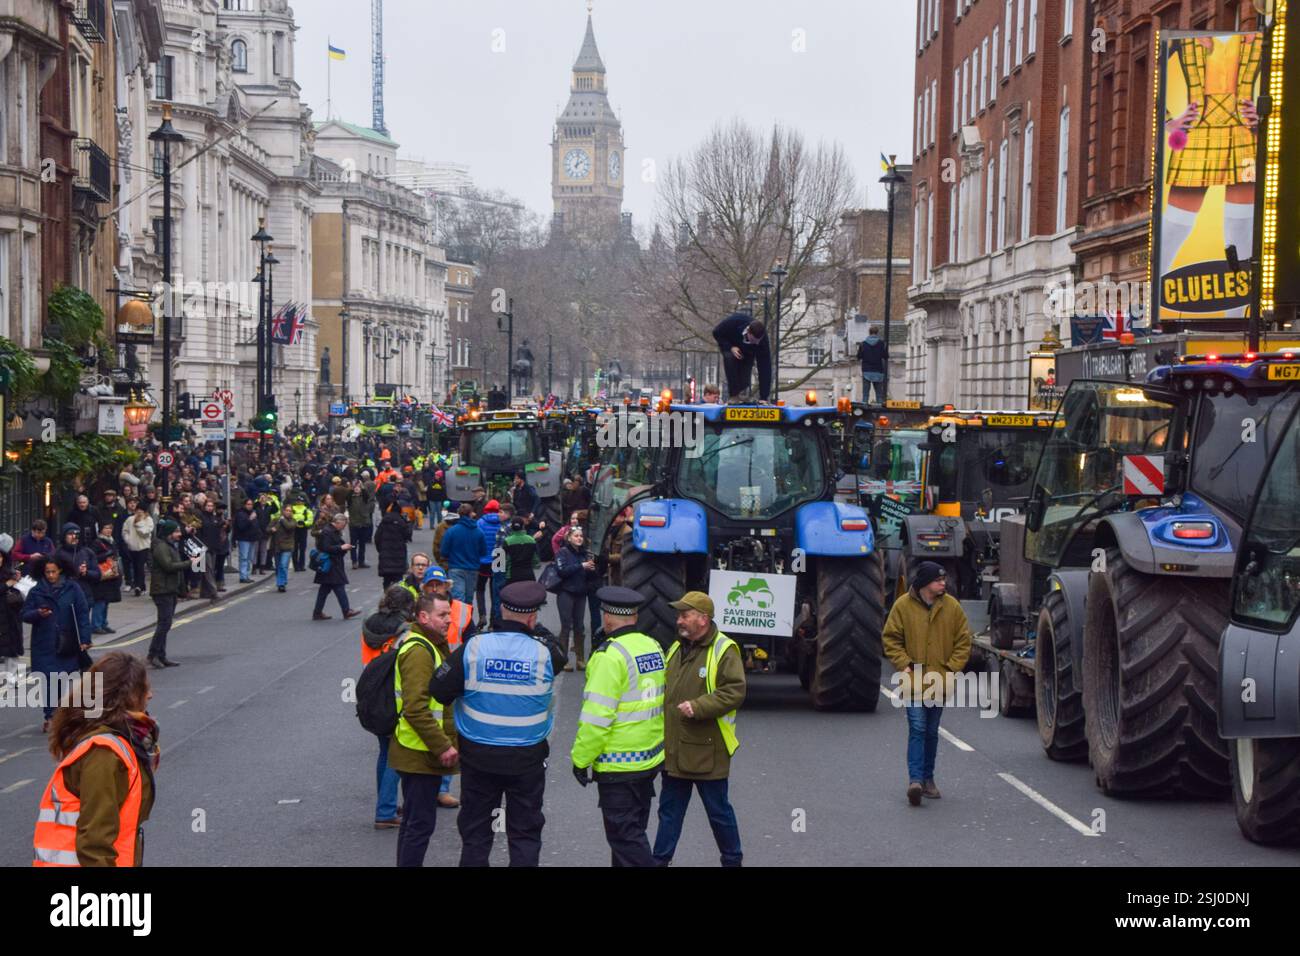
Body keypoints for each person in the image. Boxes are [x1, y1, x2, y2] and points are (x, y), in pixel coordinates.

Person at [427, 581, 567, 867]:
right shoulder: (545, 654)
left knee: (476, 833)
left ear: (501, 610)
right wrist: (536, 631)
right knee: (524, 833)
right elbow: (560, 654)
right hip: (527, 758)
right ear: (532, 617)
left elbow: (438, 689)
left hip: (479, 757)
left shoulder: (473, 648)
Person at [33, 652, 158, 866]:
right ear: (128, 695)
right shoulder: (104, 753)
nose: (150, 695)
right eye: (144, 688)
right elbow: (94, 844)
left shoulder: (114, 741)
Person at [571, 586, 666, 867]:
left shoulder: (609, 656)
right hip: (649, 759)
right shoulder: (653, 646)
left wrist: (581, 759)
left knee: (626, 838)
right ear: (634, 616)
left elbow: (596, 718)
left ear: (608, 617)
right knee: (633, 834)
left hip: (618, 765)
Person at [653, 591, 746, 867]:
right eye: (679, 615)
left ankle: (732, 860)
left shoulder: (724, 650)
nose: (679, 620)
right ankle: (659, 861)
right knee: (669, 813)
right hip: (675, 749)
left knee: (718, 813)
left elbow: (735, 691)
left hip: (707, 750)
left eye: (685, 615)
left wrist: (699, 706)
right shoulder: (677, 647)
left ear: (703, 619)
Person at [882, 561, 971, 805]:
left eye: (944, 579)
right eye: (938, 580)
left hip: (939, 681)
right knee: (918, 728)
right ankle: (916, 781)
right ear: (924, 583)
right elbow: (890, 638)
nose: (943, 583)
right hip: (913, 680)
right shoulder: (902, 606)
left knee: (931, 732)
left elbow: (964, 640)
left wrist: (951, 667)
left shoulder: (952, 607)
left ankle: (928, 780)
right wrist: (904, 664)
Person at [389, 593, 460, 865]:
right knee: (419, 826)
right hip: (419, 752)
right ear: (423, 617)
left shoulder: (429, 644)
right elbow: (415, 708)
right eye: (442, 615)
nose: (448, 620)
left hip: (419, 749)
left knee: (413, 824)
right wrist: (442, 746)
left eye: (449, 614)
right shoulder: (419, 651)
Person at [361, 586, 415, 831]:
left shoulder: (370, 625)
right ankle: (385, 811)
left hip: (370, 691)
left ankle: (388, 804)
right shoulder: (404, 631)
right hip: (393, 695)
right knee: (396, 753)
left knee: (385, 752)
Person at [22, 555, 93, 730]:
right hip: (43, 643)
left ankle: (59, 713)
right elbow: (24, 614)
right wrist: (38, 613)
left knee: (61, 680)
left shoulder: (73, 588)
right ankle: (50, 716)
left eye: (53, 571)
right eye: (47, 572)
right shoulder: (36, 591)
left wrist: (85, 639)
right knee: (47, 680)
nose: (51, 575)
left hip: (66, 642)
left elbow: (82, 613)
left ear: (60, 570)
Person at [554, 525, 597, 672]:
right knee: (566, 627)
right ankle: (563, 660)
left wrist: (591, 570)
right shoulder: (562, 553)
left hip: (580, 593)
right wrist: (581, 566)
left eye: (581, 536)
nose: (579, 538)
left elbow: (589, 575)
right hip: (566, 593)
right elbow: (562, 571)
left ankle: (580, 659)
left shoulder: (585, 553)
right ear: (569, 538)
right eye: (576, 536)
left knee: (580, 627)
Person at [147, 520, 188, 669]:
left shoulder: (169, 546)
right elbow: (168, 566)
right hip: (162, 590)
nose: (179, 534)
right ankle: (153, 655)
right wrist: (189, 563)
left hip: (169, 589)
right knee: (164, 623)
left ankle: (161, 656)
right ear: (169, 533)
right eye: (176, 532)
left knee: (166, 623)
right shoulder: (161, 547)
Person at [712, 313, 771, 401]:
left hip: (748, 353)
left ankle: (741, 392)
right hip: (730, 346)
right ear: (748, 332)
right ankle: (734, 395)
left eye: (758, 341)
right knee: (730, 357)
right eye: (754, 340)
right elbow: (716, 333)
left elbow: (765, 368)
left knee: (744, 381)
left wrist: (764, 397)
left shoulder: (762, 342)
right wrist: (730, 347)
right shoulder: (735, 321)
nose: (757, 343)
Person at [313, 513, 361, 621]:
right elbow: (326, 548)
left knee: (324, 590)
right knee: (339, 586)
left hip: (333, 564)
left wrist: (344, 547)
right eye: (343, 525)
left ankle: (317, 612)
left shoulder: (333, 531)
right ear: (338, 522)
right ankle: (346, 611)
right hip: (330, 564)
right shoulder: (327, 532)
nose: (344, 527)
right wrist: (341, 547)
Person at [440, 504, 486, 607]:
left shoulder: (451, 531)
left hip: (455, 567)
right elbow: (483, 552)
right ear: (471, 514)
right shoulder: (479, 532)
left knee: (458, 599)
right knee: (469, 600)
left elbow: (443, 551)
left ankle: (459, 622)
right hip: (473, 569)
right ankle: (467, 621)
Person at [87, 523, 122, 636]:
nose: (109, 530)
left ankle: (103, 624)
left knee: (106, 601)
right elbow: (93, 559)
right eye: (106, 528)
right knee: (100, 601)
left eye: (110, 528)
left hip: (110, 576)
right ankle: (96, 625)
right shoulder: (97, 543)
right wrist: (106, 554)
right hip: (101, 576)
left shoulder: (111, 541)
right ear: (101, 530)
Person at [475, 500, 503, 626]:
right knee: (495, 590)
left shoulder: (480, 522)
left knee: (480, 589)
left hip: (483, 560)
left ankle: (482, 615)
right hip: (498, 558)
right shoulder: (502, 523)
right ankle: (493, 620)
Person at [374, 503, 413, 590]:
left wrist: (381, 550)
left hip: (385, 556)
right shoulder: (401, 521)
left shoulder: (384, 522)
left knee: (386, 580)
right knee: (398, 580)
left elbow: (377, 538)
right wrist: (409, 523)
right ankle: (397, 599)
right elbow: (408, 535)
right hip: (398, 555)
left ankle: (386, 597)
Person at [121, 503, 154, 597]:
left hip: (144, 547)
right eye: (138, 510)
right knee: (135, 566)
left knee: (140, 566)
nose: (139, 512)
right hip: (132, 546)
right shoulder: (129, 519)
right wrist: (128, 540)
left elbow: (145, 533)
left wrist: (139, 523)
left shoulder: (148, 520)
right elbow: (125, 531)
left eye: (142, 511)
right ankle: (140, 586)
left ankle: (139, 586)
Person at [348, 477, 376, 569]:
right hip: (353, 523)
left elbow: (367, 494)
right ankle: (354, 561)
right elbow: (347, 495)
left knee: (362, 544)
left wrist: (362, 486)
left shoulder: (364, 497)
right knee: (353, 545)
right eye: (355, 487)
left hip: (363, 523)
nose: (357, 488)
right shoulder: (350, 498)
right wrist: (352, 487)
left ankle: (361, 561)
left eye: (358, 487)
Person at [502, 517, 540, 583]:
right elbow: (536, 561)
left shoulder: (507, 541)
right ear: (523, 526)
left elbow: (504, 560)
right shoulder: (531, 540)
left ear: (511, 527)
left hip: (512, 576)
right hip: (529, 575)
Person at [857, 325, 888, 404]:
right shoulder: (882, 344)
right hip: (878, 371)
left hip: (866, 370)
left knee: (865, 394)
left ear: (869, 332)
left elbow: (859, 356)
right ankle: (879, 411)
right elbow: (886, 356)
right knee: (879, 394)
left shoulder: (863, 344)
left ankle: (865, 409)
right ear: (877, 333)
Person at [270, 506, 297, 593]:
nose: (288, 512)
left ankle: (281, 584)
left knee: (283, 565)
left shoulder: (292, 521)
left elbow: (289, 527)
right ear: (283, 511)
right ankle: (282, 581)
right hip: (277, 546)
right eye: (287, 510)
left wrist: (282, 520)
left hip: (287, 547)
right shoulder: (276, 520)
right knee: (278, 567)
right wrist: (272, 529)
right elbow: (268, 529)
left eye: (290, 511)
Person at [233, 498, 260, 583]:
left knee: (249, 558)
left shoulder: (252, 513)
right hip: (244, 539)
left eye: (251, 504)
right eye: (248, 504)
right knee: (244, 558)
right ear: (244, 505)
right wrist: (250, 519)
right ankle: (243, 576)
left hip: (252, 538)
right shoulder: (241, 514)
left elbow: (255, 525)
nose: (250, 506)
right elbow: (241, 526)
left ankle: (247, 575)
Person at [288, 494, 315, 573]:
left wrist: (304, 523)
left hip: (303, 530)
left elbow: (310, 520)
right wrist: (295, 523)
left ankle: (301, 565)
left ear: (303, 502)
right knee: (294, 548)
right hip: (294, 530)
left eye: (301, 501)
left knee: (302, 549)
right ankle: (296, 566)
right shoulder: (292, 509)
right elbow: (289, 518)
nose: (299, 502)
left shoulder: (306, 510)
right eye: (298, 501)